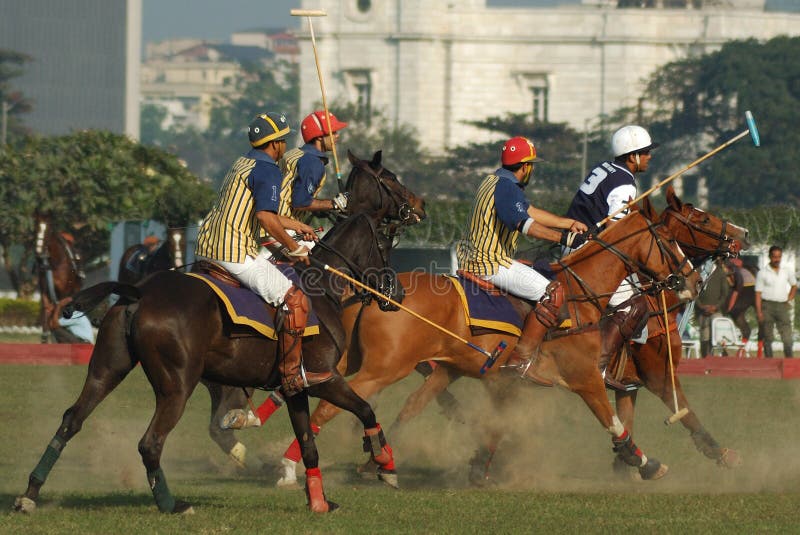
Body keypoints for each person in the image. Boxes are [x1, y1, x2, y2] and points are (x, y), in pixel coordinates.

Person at [195, 111, 331, 396]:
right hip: (234, 251)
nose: (285, 145)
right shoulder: (268, 170)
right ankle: (291, 375)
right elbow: (266, 218)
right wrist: (294, 247)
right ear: (275, 143)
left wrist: (297, 226)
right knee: (295, 300)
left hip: (206, 246)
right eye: (283, 140)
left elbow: (265, 213)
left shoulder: (242, 162)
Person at [456, 136, 588, 376]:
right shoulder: (507, 187)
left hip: (474, 258)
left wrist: (568, 224)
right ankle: (520, 360)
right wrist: (563, 239)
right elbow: (523, 223)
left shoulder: (493, 180)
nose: (532, 170)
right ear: (525, 166)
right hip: (491, 264)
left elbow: (528, 211)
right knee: (553, 293)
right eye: (531, 165)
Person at [564, 125, 658, 387]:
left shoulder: (605, 168)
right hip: (586, 253)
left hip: (571, 243)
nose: (649, 156)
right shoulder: (625, 183)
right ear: (633, 156)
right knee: (633, 305)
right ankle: (599, 368)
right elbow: (616, 231)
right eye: (645, 152)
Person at [755, 245, 797, 358]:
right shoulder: (762, 273)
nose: (777, 259)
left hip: (782, 305)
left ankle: (789, 362)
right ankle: (769, 363)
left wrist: (789, 298)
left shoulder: (786, 271)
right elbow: (758, 294)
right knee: (768, 336)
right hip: (767, 306)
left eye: (779, 257)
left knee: (787, 337)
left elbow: (794, 285)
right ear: (770, 257)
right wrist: (759, 312)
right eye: (774, 257)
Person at [695, 258, 732, 357]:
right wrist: (701, 306)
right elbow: (694, 291)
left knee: (718, 335)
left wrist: (715, 307)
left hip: (716, 311)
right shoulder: (697, 272)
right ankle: (705, 359)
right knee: (705, 337)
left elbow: (725, 294)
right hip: (702, 311)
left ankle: (722, 359)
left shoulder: (720, 272)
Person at [724, 257, 760, 356]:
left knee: (734, 313)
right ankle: (744, 349)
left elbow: (736, 290)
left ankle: (753, 349)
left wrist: (730, 308)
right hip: (751, 290)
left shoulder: (736, 271)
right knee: (740, 319)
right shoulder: (741, 270)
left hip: (747, 290)